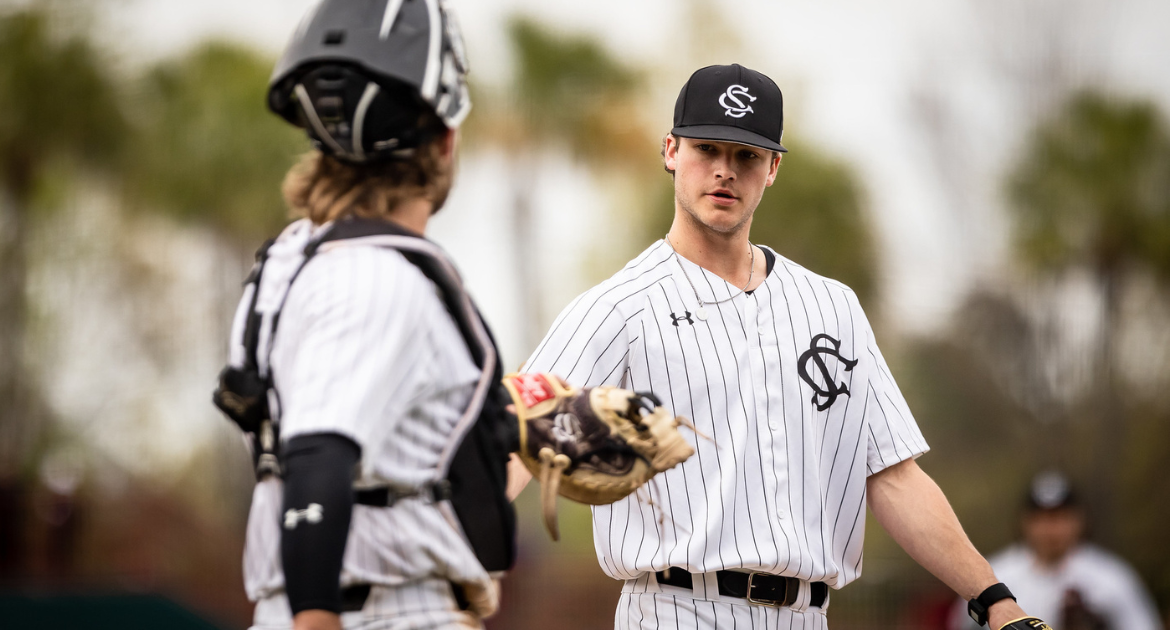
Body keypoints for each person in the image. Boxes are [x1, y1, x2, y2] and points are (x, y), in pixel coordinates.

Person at [521, 64, 1050, 630]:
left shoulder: (832, 306)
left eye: (746, 155)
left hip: (806, 616)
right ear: (671, 150)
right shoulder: (620, 306)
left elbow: (893, 476)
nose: (725, 170)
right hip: (675, 608)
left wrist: (995, 599)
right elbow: (520, 426)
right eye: (708, 148)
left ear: (772, 167)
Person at [215, 1, 518, 629]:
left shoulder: (294, 258)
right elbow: (320, 457)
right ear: (445, 138)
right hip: (372, 612)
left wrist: (529, 439)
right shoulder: (371, 274)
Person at [951, 471, 1163, 630]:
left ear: (1080, 520)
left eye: (1060, 517)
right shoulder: (994, 575)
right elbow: (959, 624)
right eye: (1042, 518)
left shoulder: (1111, 577)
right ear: (1025, 521)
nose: (1051, 529)